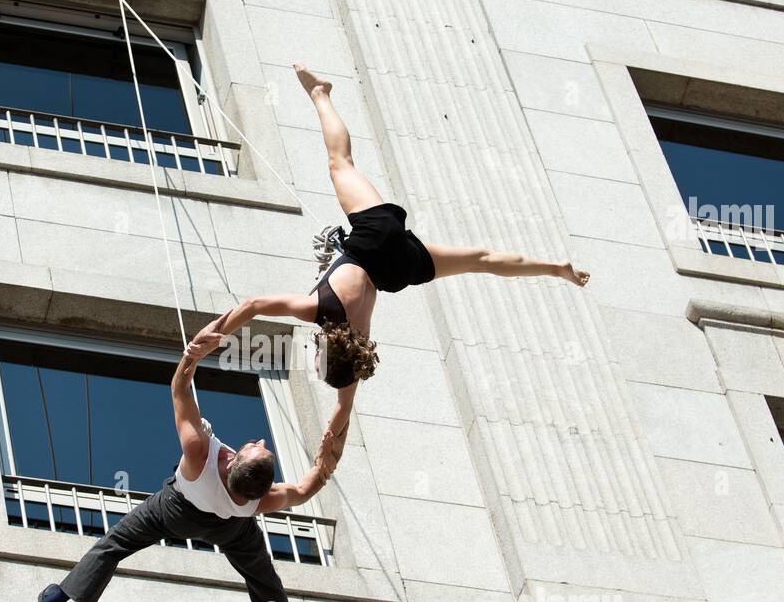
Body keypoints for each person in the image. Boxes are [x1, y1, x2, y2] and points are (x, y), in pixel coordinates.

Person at [186, 63, 592, 460]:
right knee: (340, 162)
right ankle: (320, 94)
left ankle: (557, 269)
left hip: (399, 269)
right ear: (325, 350)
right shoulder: (318, 311)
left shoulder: (358, 347)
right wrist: (213, 336)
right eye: (315, 358)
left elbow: (344, 408)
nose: (311, 357)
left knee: (480, 260)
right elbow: (255, 305)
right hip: (372, 242)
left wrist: (334, 441)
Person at [36, 347, 336, 602]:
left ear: (233, 462)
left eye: (255, 448)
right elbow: (303, 489)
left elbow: (179, 388)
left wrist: (194, 352)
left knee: (115, 543)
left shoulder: (198, 453)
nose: (259, 442)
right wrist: (326, 460)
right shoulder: (262, 500)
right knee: (263, 578)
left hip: (174, 511)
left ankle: (55, 599)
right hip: (232, 530)